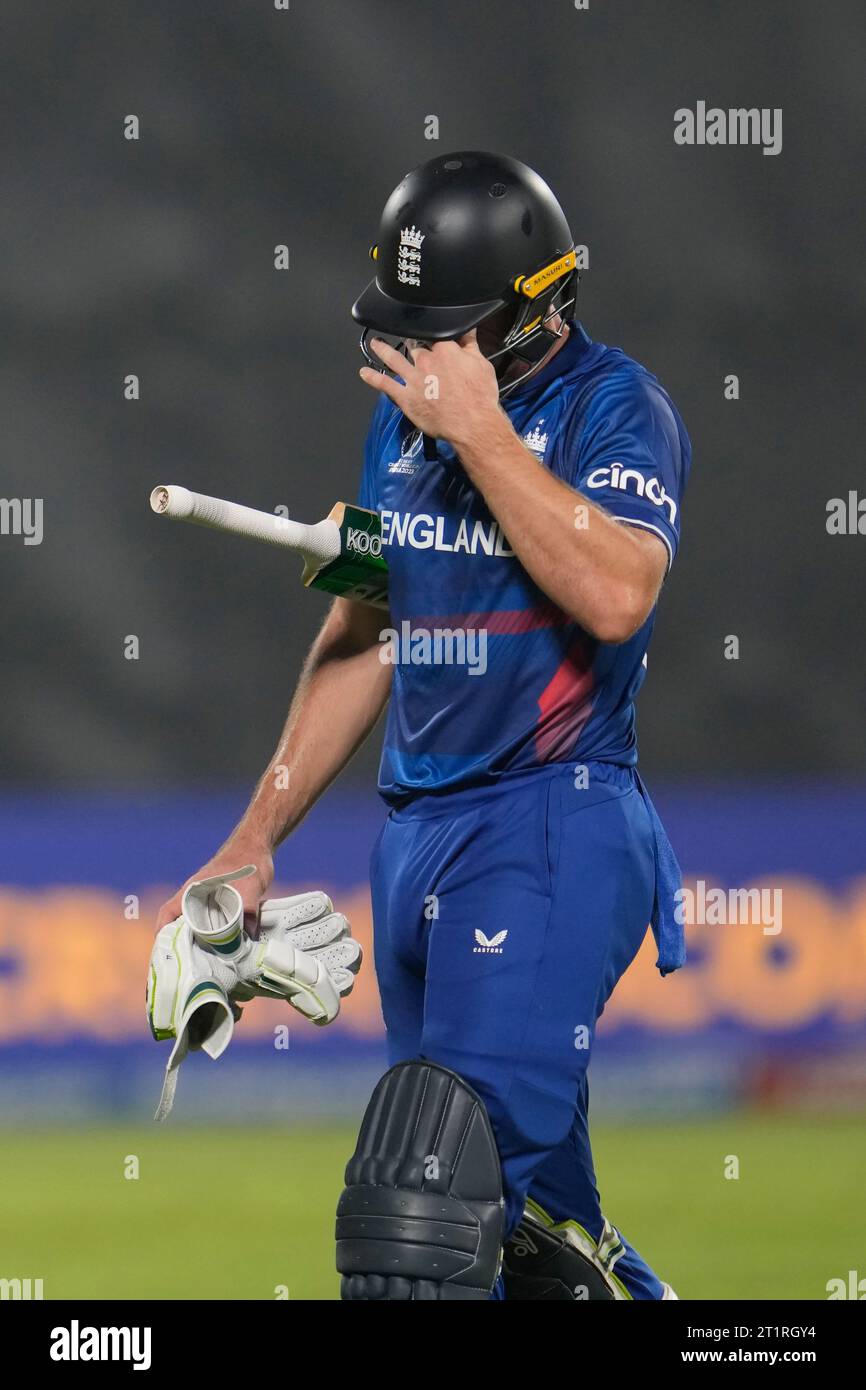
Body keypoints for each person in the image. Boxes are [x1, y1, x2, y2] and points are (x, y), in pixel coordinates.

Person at [158, 150, 691, 1300]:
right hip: (417, 836)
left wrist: (483, 437)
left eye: (450, 323)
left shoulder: (614, 407)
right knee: (525, 1229)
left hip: (552, 821)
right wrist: (255, 838)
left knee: (423, 1196)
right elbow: (365, 634)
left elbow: (618, 592)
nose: (417, 348)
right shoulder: (405, 430)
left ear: (535, 304)